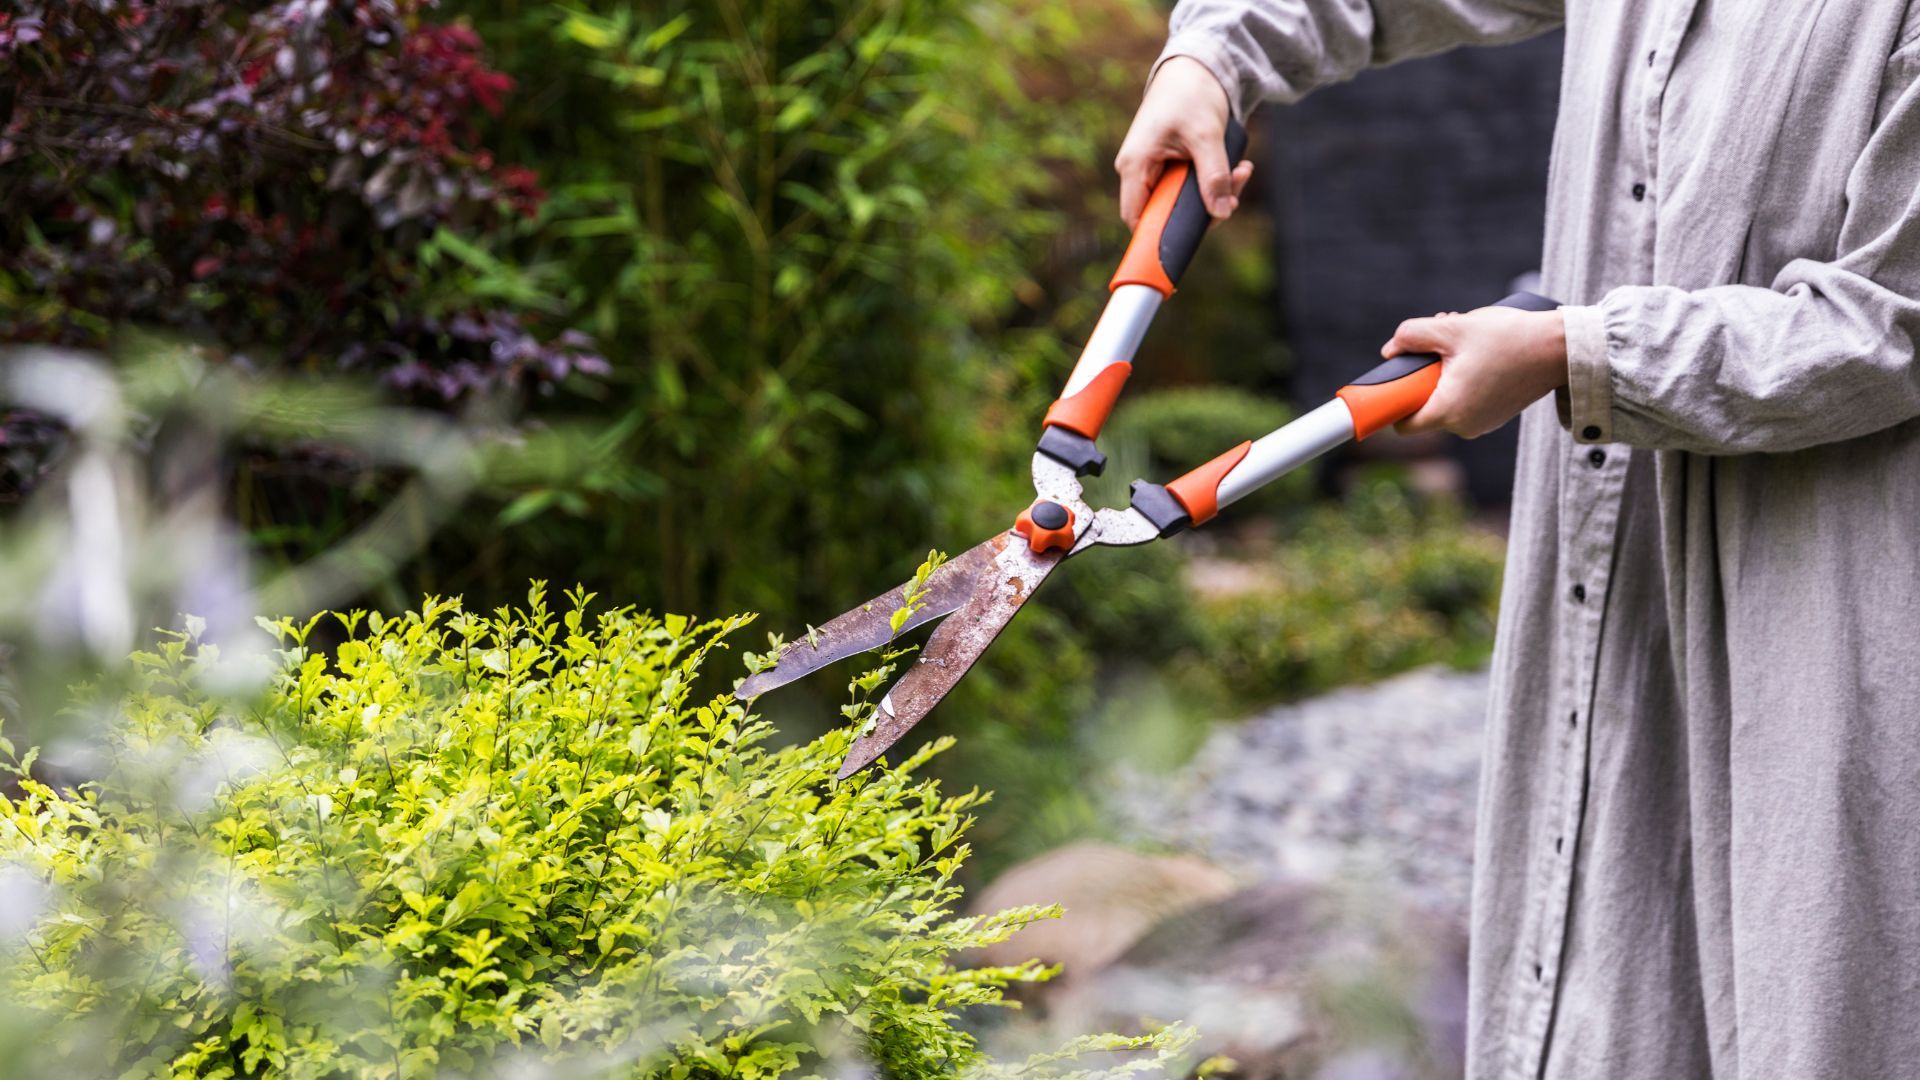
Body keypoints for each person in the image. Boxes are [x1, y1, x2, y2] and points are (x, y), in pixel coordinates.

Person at [1117, 2, 1920, 1077]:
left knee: (1809, 981)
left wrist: (1577, 355)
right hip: (1606, 569)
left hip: (1819, 598)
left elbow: (1887, 323)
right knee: (1601, 985)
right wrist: (1215, 56)